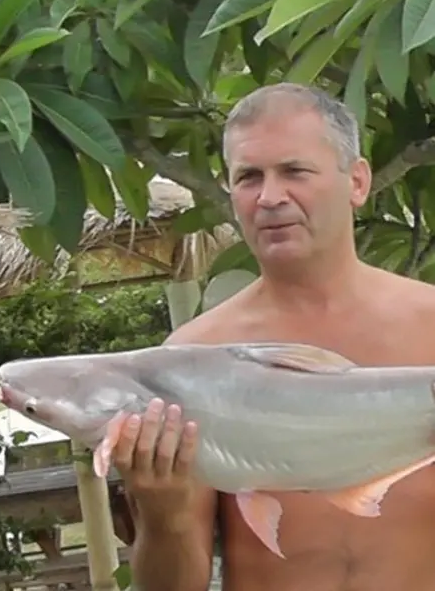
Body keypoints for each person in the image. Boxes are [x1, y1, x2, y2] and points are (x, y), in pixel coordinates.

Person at [111, 83, 435, 591]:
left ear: (357, 181)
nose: (270, 197)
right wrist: (162, 513)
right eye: (248, 177)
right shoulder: (193, 361)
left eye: (295, 171)